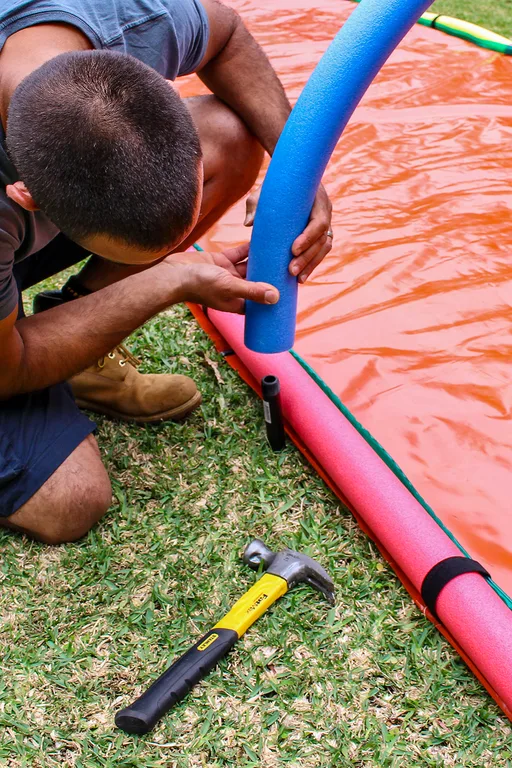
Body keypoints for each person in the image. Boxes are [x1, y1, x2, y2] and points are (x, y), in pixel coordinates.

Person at [0, 0, 333, 544]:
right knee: (69, 499)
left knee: (229, 130)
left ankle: (78, 356)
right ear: (29, 198)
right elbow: (9, 370)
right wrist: (167, 279)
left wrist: (299, 172)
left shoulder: (121, 21)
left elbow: (224, 34)